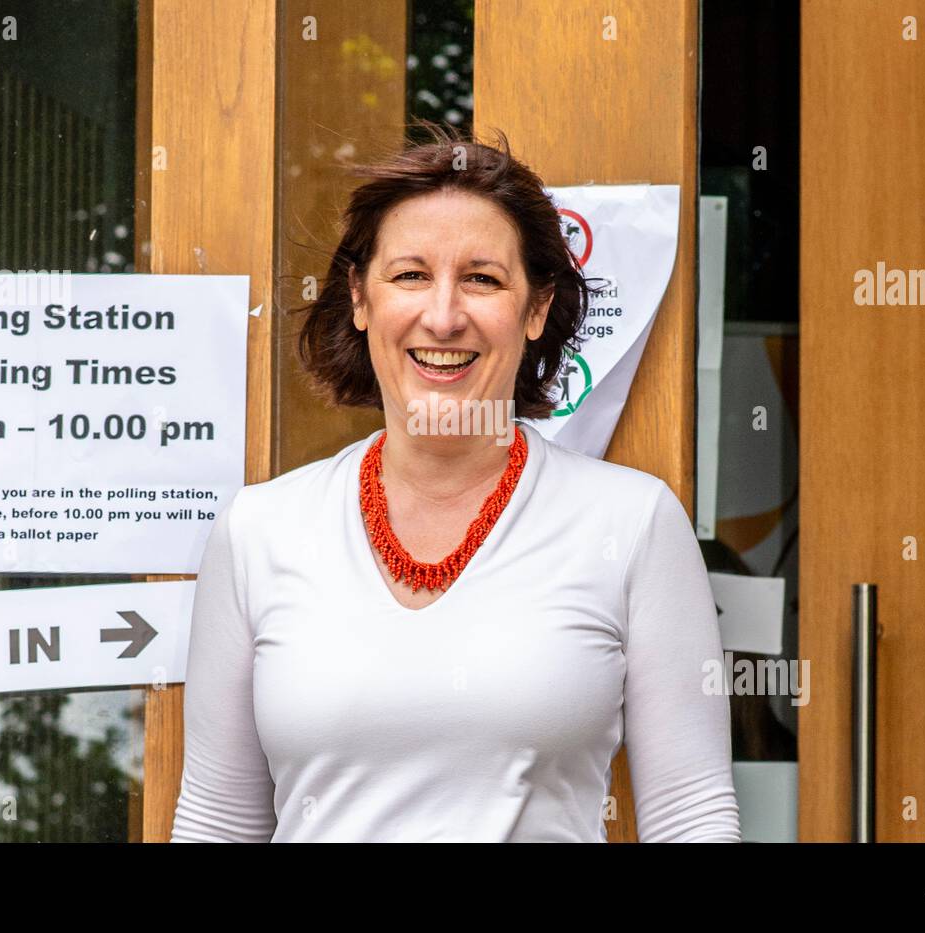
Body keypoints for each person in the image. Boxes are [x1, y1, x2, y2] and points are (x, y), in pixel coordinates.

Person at [169, 121, 740, 842]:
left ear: (535, 309)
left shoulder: (632, 523)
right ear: (359, 298)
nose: (443, 316)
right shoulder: (258, 530)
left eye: (482, 279)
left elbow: (691, 819)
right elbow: (217, 823)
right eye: (410, 275)